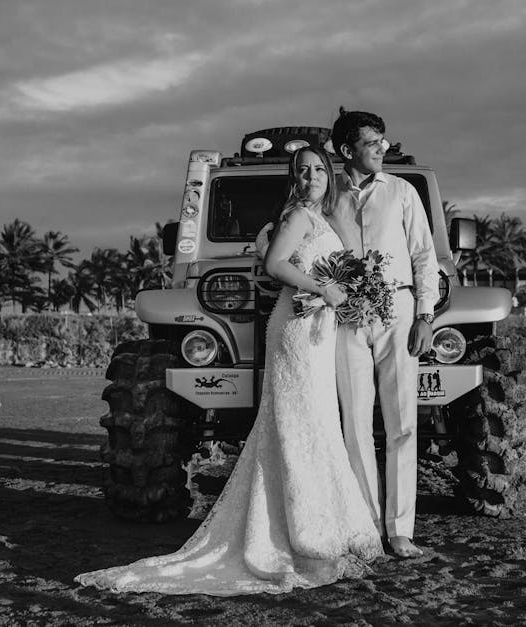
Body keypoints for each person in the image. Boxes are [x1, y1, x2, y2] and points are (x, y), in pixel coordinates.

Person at [74, 146, 383, 597]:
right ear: (295, 179)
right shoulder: (297, 216)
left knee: (315, 422)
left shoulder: (326, 220)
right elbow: (275, 264)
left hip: (317, 326)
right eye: (304, 170)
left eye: (319, 169)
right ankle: (300, 534)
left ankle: (319, 527)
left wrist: (351, 297)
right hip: (296, 326)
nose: (313, 176)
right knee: (297, 422)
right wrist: (324, 288)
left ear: (328, 176)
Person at [331, 109, 440, 559]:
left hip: (398, 309)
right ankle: (365, 527)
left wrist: (426, 315)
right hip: (344, 316)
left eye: (383, 141)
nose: (382, 148)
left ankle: (399, 531)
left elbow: (423, 255)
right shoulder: (325, 194)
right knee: (354, 425)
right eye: (373, 142)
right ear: (347, 150)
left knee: (401, 423)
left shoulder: (403, 191)